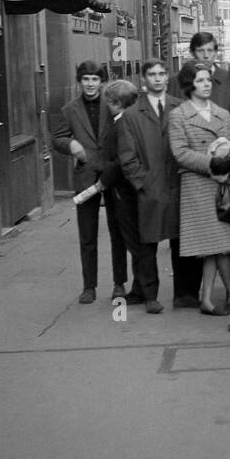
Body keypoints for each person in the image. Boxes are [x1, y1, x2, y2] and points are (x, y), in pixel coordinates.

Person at [169, 61, 230, 314]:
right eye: (200, 80)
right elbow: (180, 152)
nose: (206, 85)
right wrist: (213, 163)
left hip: (222, 187)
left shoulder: (222, 114)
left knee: (216, 245)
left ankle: (209, 298)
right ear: (189, 84)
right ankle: (227, 295)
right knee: (215, 245)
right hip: (197, 186)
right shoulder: (179, 115)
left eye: (208, 80)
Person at [52, 61, 127, 304]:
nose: (90, 84)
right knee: (87, 235)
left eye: (95, 79)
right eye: (86, 79)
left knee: (118, 232)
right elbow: (58, 138)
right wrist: (70, 145)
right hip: (85, 176)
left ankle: (119, 284)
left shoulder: (112, 104)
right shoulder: (69, 110)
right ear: (79, 82)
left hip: (113, 175)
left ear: (102, 82)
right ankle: (89, 287)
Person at [115, 59, 182, 314]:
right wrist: (143, 183)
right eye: (152, 74)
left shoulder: (180, 107)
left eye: (161, 74)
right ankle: (150, 294)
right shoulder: (131, 116)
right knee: (148, 245)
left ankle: (184, 294)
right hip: (150, 188)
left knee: (180, 242)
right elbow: (127, 157)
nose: (157, 78)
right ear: (144, 79)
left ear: (167, 77)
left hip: (177, 184)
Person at [95, 80, 143, 299]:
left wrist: (103, 180)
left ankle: (139, 285)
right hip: (120, 189)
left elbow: (121, 159)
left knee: (127, 237)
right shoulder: (125, 121)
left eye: (109, 102)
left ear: (116, 103)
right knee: (124, 237)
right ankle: (128, 283)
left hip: (121, 190)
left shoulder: (122, 123)